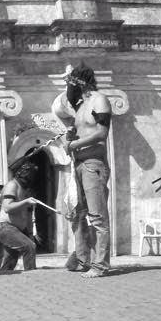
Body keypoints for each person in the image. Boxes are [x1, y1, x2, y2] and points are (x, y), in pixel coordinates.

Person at [61, 63, 112, 278]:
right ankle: (83, 259)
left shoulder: (99, 100)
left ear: (79, 81)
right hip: (79, 165)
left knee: (97, 217)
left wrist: (75, 145)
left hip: (93, 164)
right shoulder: (81, 105)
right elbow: (80, 133)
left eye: (69, 81)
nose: (67, 86)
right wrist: (70, 137)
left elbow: (102, 134)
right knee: (77, 214)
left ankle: (100, 265)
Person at [0, 161, 39, 271]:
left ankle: (2, 278)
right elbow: (7, 208)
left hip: (18, 229)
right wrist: (26, 202)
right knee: (29, 247)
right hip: (5, 227)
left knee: (10, 260)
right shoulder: (12, 185)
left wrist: (29, 232)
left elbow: (27, 214)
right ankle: (32, 277)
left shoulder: (25, 190)